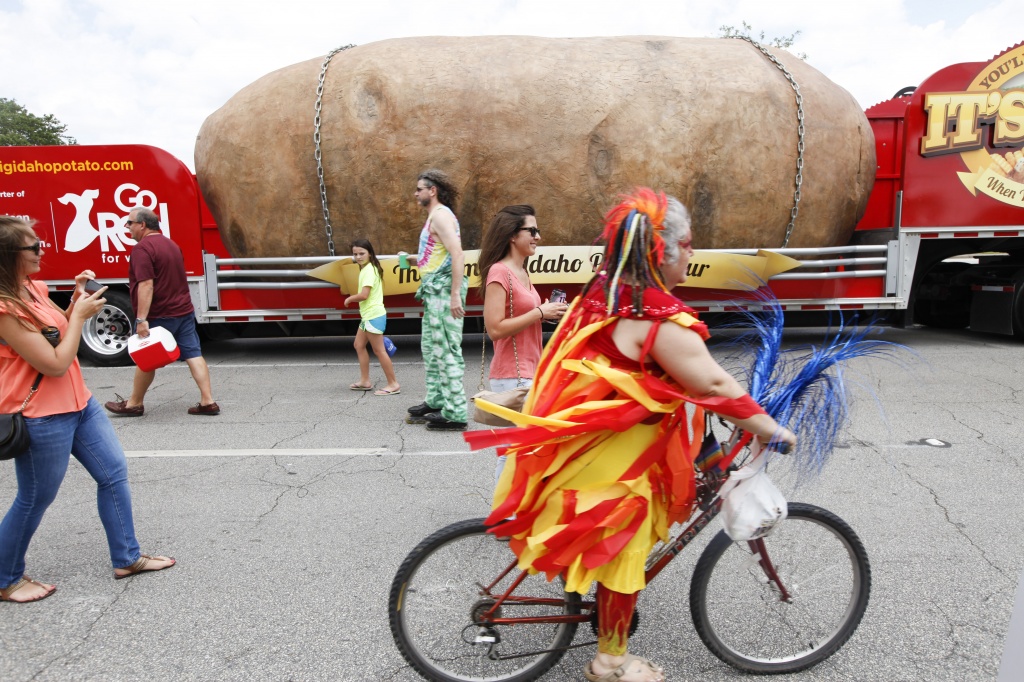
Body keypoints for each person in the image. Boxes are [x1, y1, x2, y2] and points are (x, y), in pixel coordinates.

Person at [465, 189, 796, 682]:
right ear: (664, 250)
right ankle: (610, 663)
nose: (692, 254)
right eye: (688, 244)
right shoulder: (653, 314)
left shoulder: (607, 293)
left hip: (587, 448)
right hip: (615, 464)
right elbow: (711, 383)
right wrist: (772, 429)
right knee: (625, 550)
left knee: (621, 545)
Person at [0, 216, 175, 603]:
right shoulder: (5, 309)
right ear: (10, 256)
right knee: (34, 498)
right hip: (41, 415)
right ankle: (6, 578)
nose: (41, 249)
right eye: (34, 247)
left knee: (113, 475)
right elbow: (55, 363)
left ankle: (127, 558)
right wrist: (79, 318)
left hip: (80, 404)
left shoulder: (32, 288)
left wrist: (75, 304)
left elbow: (58, 333)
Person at [477, 205, 567, 481]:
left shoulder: (523, 273)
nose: (538, 236)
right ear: (512, 235)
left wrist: (550, 314)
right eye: (532, 230)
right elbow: (494, 328)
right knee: (515, 452)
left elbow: (525, 317)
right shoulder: (499, 272)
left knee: (522, 450)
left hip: (530, 373)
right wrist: (540, 312)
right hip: (512, 377)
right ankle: (504, 518)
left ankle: (509, 515)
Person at [104, 207, 219, 417]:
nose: (127, 227)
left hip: (160, 313)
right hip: (183, 310)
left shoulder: (142, 249)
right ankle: (208, 401)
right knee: (194, 354)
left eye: (129, 223)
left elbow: (146, 285)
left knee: (146, 357)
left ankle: (134, 404)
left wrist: (141, 319)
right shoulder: (171, 244)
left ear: (143, 225)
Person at [403, 169, 469, 431]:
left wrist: (454, 295)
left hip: (443, 292)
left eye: (419, 188)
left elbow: (458, 254)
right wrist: (414, 259)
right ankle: (437, 400)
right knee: (431, 349)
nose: (416, 193)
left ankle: (455, 413)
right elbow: (439, 252)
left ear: (433, 191)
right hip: (434, 291)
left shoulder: (440, 216)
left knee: (446, 351)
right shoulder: (436, 216)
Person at [343, 238, 400, 396]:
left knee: (379, 350)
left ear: (370, 253)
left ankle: (393, 384)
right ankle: (365, 381)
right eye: (355, 254)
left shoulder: (368, 270)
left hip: (373, 315)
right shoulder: (369, 267)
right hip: (368, 315)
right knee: (358, 345)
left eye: (362, 253)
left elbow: (364, 295)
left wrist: (350, 299)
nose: (358, 257)